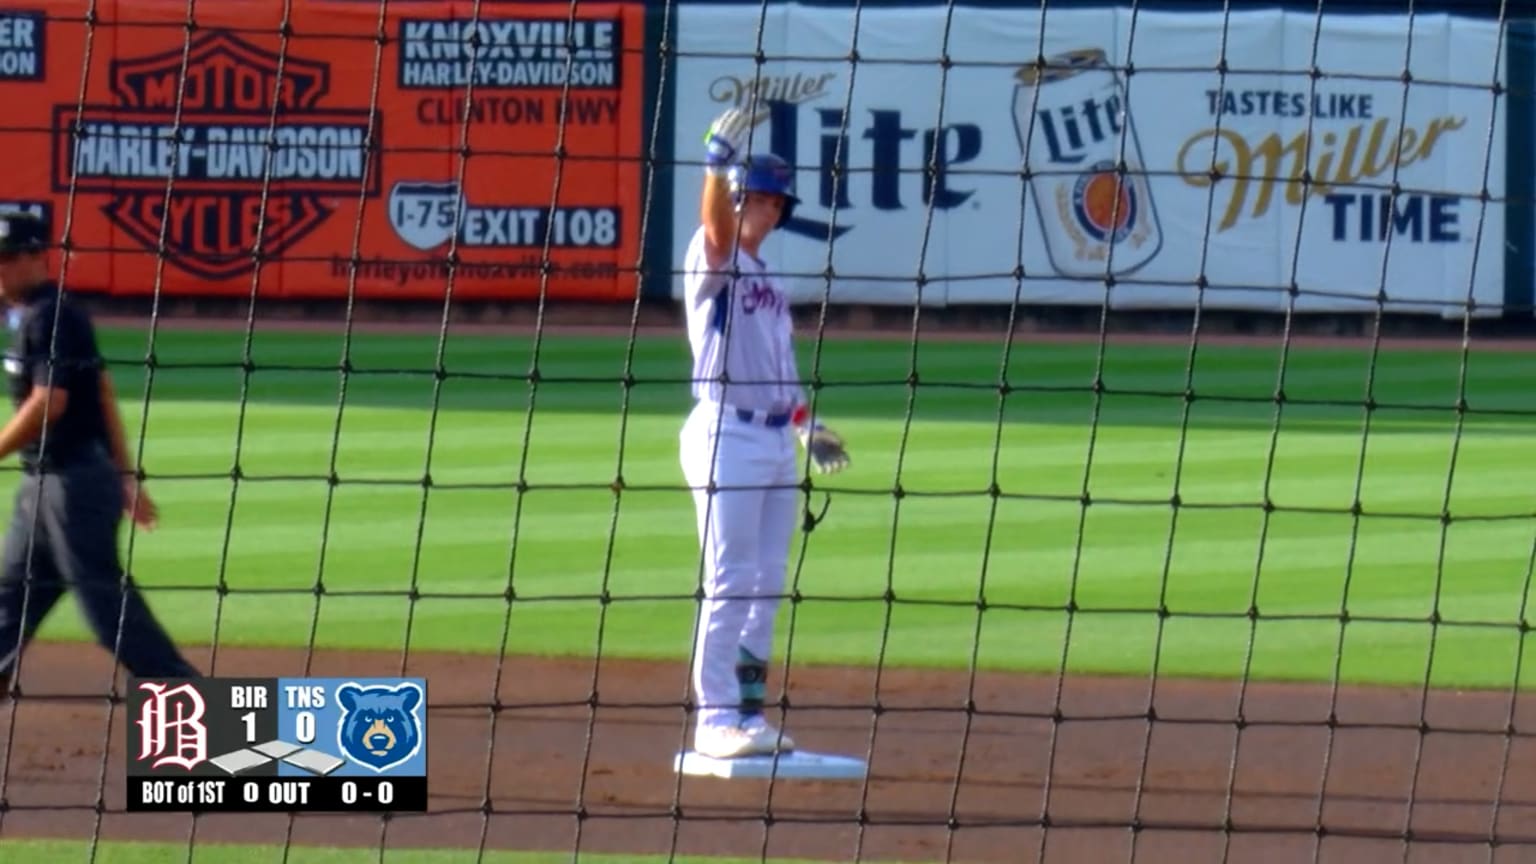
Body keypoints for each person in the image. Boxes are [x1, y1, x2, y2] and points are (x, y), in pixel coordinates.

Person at [679, 107, 851, 759]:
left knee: (768, 582)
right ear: (737, 199)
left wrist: (808, 426)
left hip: (777, 441)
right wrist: (715, 164)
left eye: (779, 202)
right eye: (763, 198)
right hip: (726, 434)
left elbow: (780, 371)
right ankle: (714, 718)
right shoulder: (713, 258)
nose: (773, 210)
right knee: (730, 579)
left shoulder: (770, 279)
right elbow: (715, 229)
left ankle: (749, 713)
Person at [0, 211, 199, 699]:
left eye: (4, 259)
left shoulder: (52, 315)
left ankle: (198, 705)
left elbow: (50, 402)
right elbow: (103, 389)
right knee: (8, 601)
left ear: (34, 257)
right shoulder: (32, 315)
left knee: (107, 610)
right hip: (43, 485)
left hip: (73, 486)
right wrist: (126, 475)